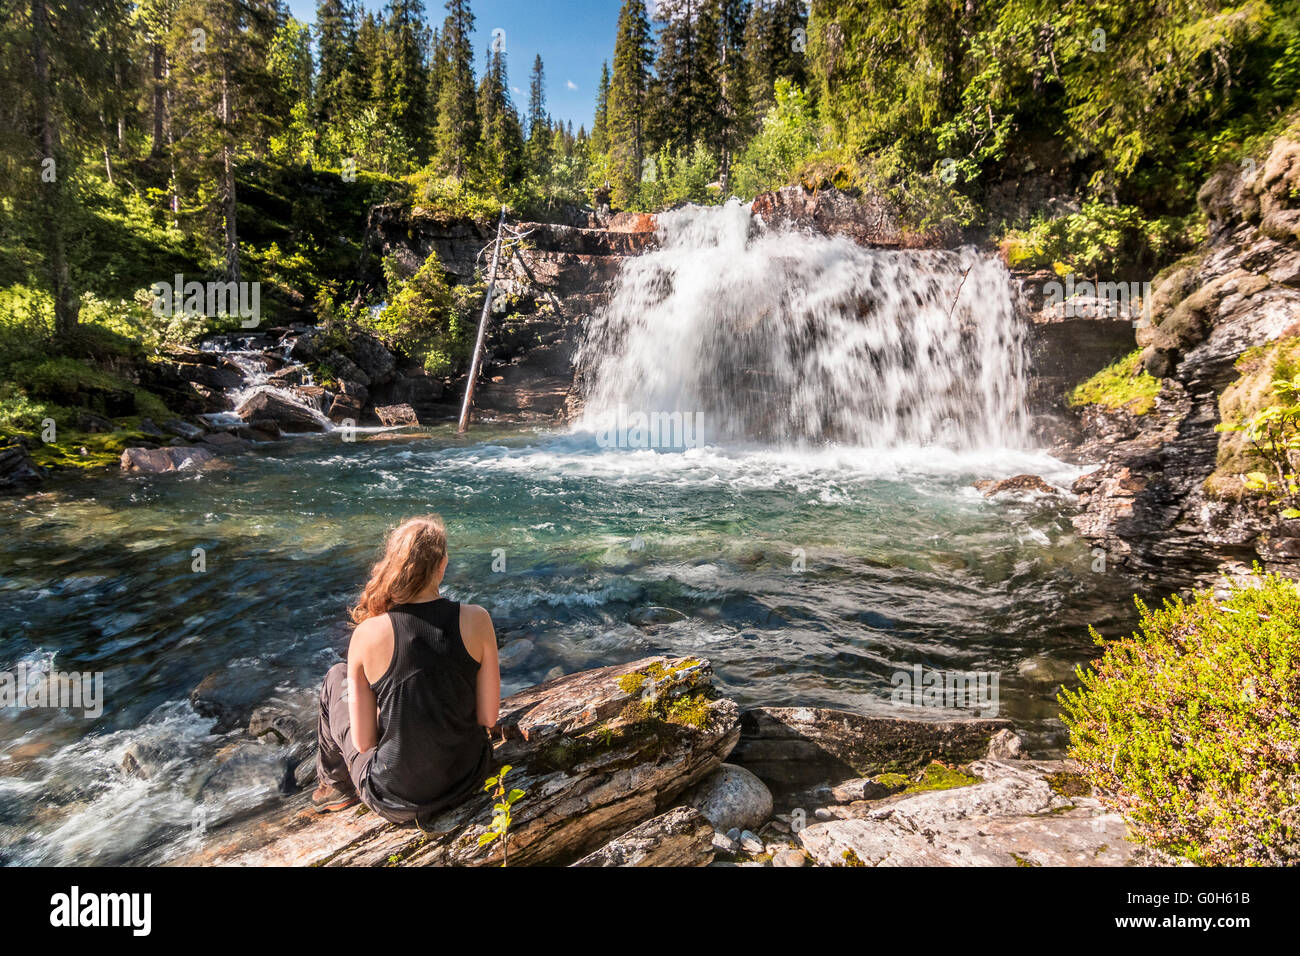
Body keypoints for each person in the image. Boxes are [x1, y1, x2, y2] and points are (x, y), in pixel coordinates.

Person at [312, 514, 500, 825]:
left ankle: (335, 789)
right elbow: (488, 717)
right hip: (469, 780)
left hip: (395, 798)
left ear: (394, 565)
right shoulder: (477, 618)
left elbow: (363, 743)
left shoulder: (368, 634)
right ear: (442, 565)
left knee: (336, 676)